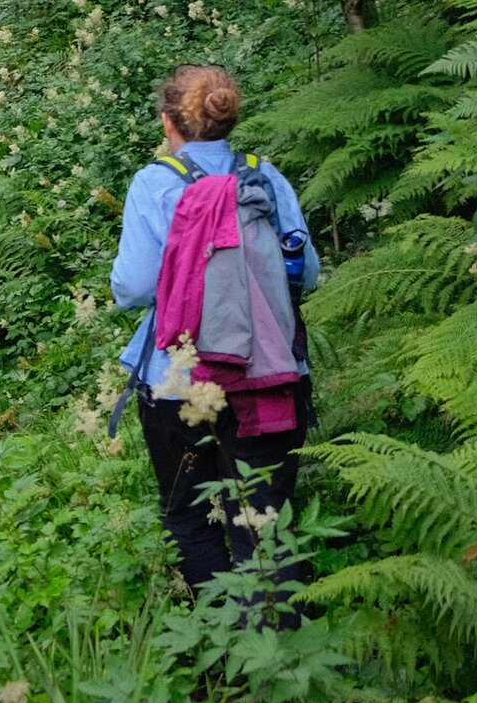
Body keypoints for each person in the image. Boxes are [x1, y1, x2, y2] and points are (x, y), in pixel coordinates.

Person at [110, 63, 321, 593]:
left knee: (189, 516)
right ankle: (274, 647)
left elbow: (132, 288)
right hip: (270, 374)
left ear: (168, 123)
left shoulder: (154, 184)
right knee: (265, 526)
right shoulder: (265, 178)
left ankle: (222, 654)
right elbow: (309, 275)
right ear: (228, 116)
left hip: (178, 377)